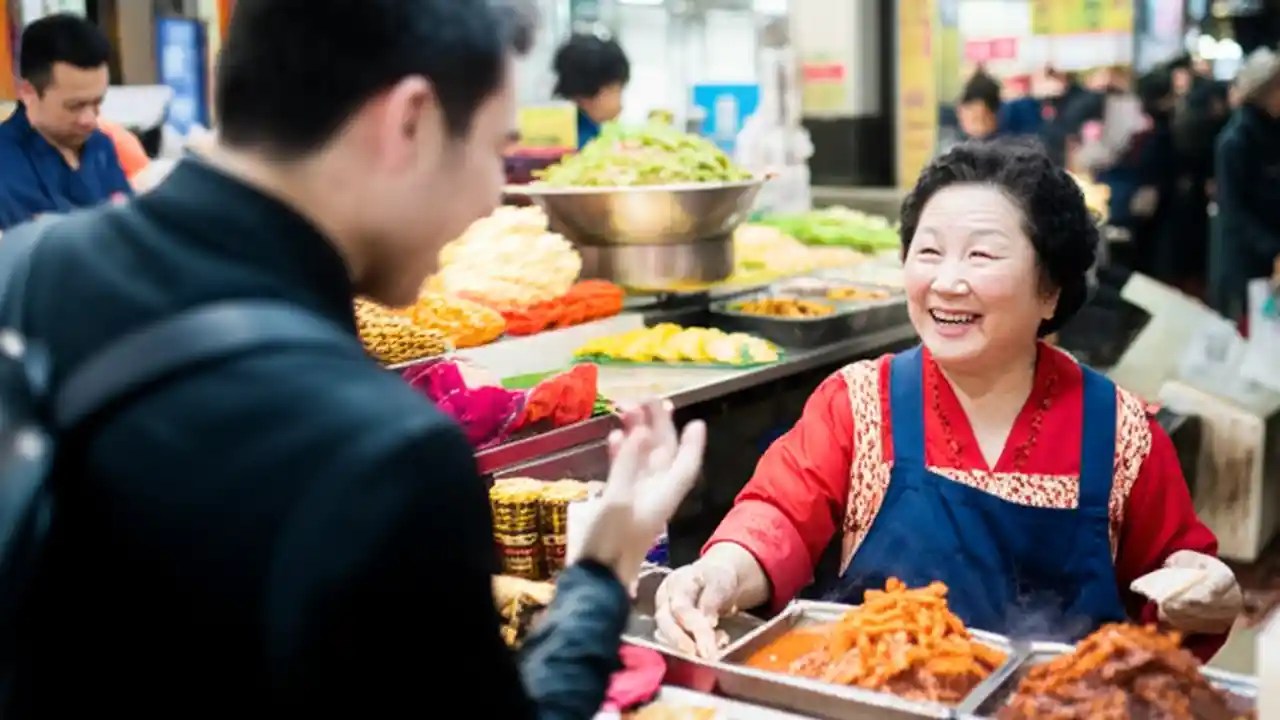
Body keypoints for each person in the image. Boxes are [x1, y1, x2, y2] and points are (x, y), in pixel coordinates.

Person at [8, 2, 704, 717]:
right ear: (410, 121)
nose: (492, 198)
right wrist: (599, 576)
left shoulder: (20, 273)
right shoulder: (388, 456)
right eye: (495, 150)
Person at [655, 140, 1243, 662]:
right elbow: (778, 515)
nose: (946, 282)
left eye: (981, 256)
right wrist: (721, 571)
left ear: (1050, 290)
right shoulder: (859, 403)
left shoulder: (1120, 432)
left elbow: (1178, 584)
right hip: (876, 694)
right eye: (929, 253)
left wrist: (1205, 592)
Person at [0, 13, 130, 230]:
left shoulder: (101, 146)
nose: (90, 120)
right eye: (75, 106)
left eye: (97, 102)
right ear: (28, 93)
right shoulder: (6, 160)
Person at [1210, 46, 1280, 326]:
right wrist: (1273, 249)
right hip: (1247, 266)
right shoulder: (1235, 142)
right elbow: (1233, 210)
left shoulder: (1274, 134)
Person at [552, 33, 630, 148]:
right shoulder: (587, 144)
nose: (621, 106)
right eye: (616, 90)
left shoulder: (556, 126)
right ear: (585, 97)